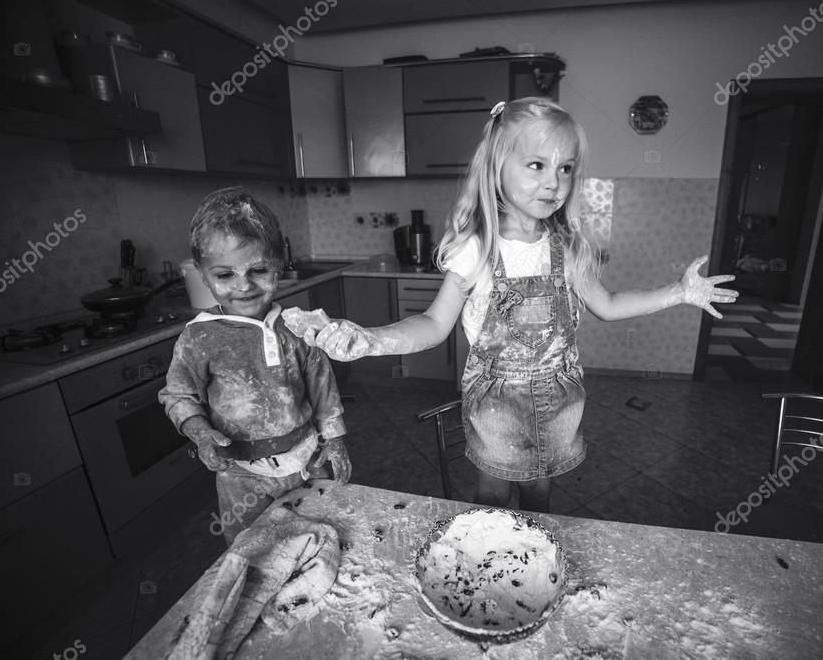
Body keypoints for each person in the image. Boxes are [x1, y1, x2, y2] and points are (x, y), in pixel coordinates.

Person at [311, 97, 736, 513]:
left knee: (539, 494)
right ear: (497, 169)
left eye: (565, 168)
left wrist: (678, 292)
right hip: (496, 401)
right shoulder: (476, 249)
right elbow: (433, 324)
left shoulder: (567, 248)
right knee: (493, 497)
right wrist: (370, 340)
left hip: (558, 398)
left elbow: (608, 305)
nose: (554, 182)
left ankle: (534, 562)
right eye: (537, 165)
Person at [159, 186, 351, 544]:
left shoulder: (297, 326)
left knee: (323, 536)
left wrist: (335, 441)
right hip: (242, 478)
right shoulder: (199, 337)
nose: (244, 286)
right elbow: (178, 396)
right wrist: (200, 433)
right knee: (255, 549)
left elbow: (324, 392)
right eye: (225, 275)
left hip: (309, 461)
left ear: (279, 267)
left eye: (259, 269)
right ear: (203, 275)